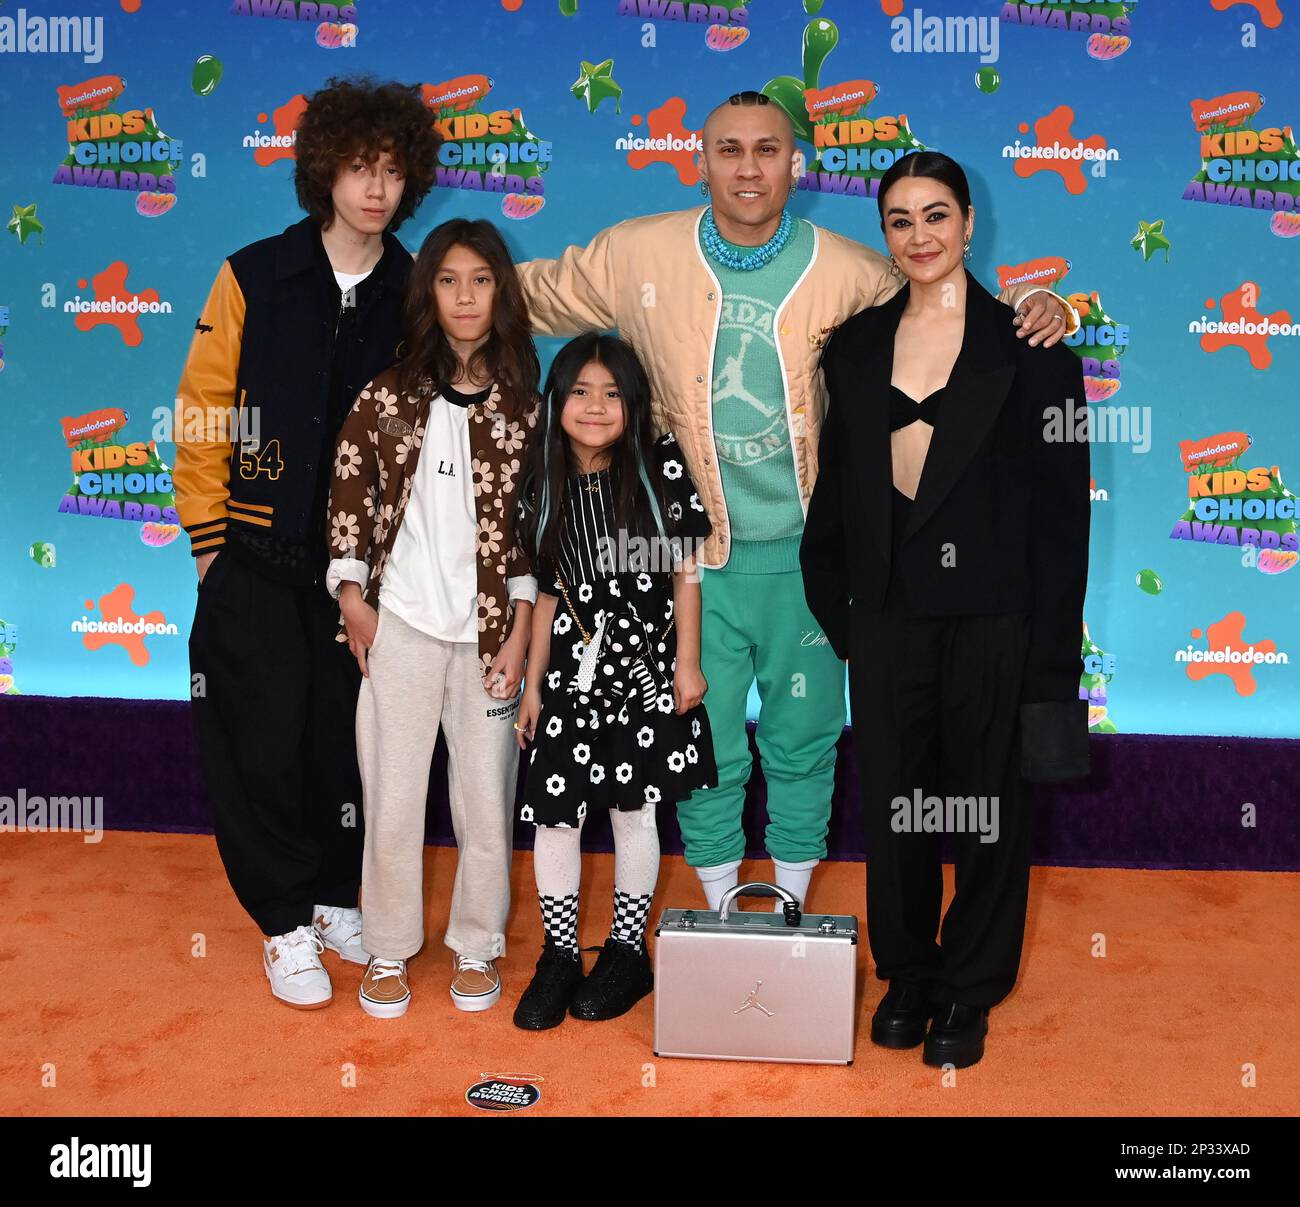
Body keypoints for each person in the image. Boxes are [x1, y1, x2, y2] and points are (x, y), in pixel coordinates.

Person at [516, 90, 1078, 916]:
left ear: (797, 163)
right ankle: (712, 914)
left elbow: (947, 305)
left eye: (768, 150)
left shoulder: (855, 270)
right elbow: (512, 298)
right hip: (688, 565)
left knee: (803, 744)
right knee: (701, 746)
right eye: (729, 150)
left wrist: (1043, 309)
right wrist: (410, 294)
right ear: (699, 160)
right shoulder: (634, 254)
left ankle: (786, 913)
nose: (749, 168)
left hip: (812, 562)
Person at [800, 151, 1092, 1069]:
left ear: (970, 223)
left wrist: (1049, 662)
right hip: (887, 620)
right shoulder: (852, 346)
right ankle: (910, 973)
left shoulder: (1040, 352)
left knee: (985, 811)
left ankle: (971, 985)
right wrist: (847, 615)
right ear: (884, 233)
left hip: (995, 620)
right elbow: (838, 489)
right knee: (899, 808)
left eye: (936, 216)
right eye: (899, 219)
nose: (919, 235)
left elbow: (1062, 522)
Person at [174, 78, 441, 1009]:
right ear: (323, 169)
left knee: (347, 747)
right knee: (258, 745)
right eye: (359, 167)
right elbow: (204, 412)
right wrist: (211, 544)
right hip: (252, 561)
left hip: (366, 582)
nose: (376, 188)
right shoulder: (252, 274)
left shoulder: (417, 292)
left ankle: (334, 897)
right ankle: (283, 921)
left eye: (392, 170)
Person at [324, 219, 540, 1018]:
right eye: (448, 279)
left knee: (486, 798)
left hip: (488, 637)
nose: (464, 296)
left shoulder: (525, 407)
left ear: (501, 291)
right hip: (403, 626)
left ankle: (478, 943)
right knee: (391, 794)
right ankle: (386, 947)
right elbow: (349, 498)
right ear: (428, 292)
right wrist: (354, 602)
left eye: (480, 279)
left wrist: (519, 632)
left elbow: (531, 533)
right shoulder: (385, 396)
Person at [510, 334, 715, 1029]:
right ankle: (560, 953)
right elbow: (540, 593)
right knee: (556, 813)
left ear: (632, 403)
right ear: (556, 401)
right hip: (570, 665)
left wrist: (687, 662)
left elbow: (686, 570)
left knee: (635, 809)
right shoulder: (541, 477)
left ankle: (627, 950)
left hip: (647, 666)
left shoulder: (658, 465)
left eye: (611, 393)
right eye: (579, 392)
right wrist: (533, 687)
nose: (595, 407)